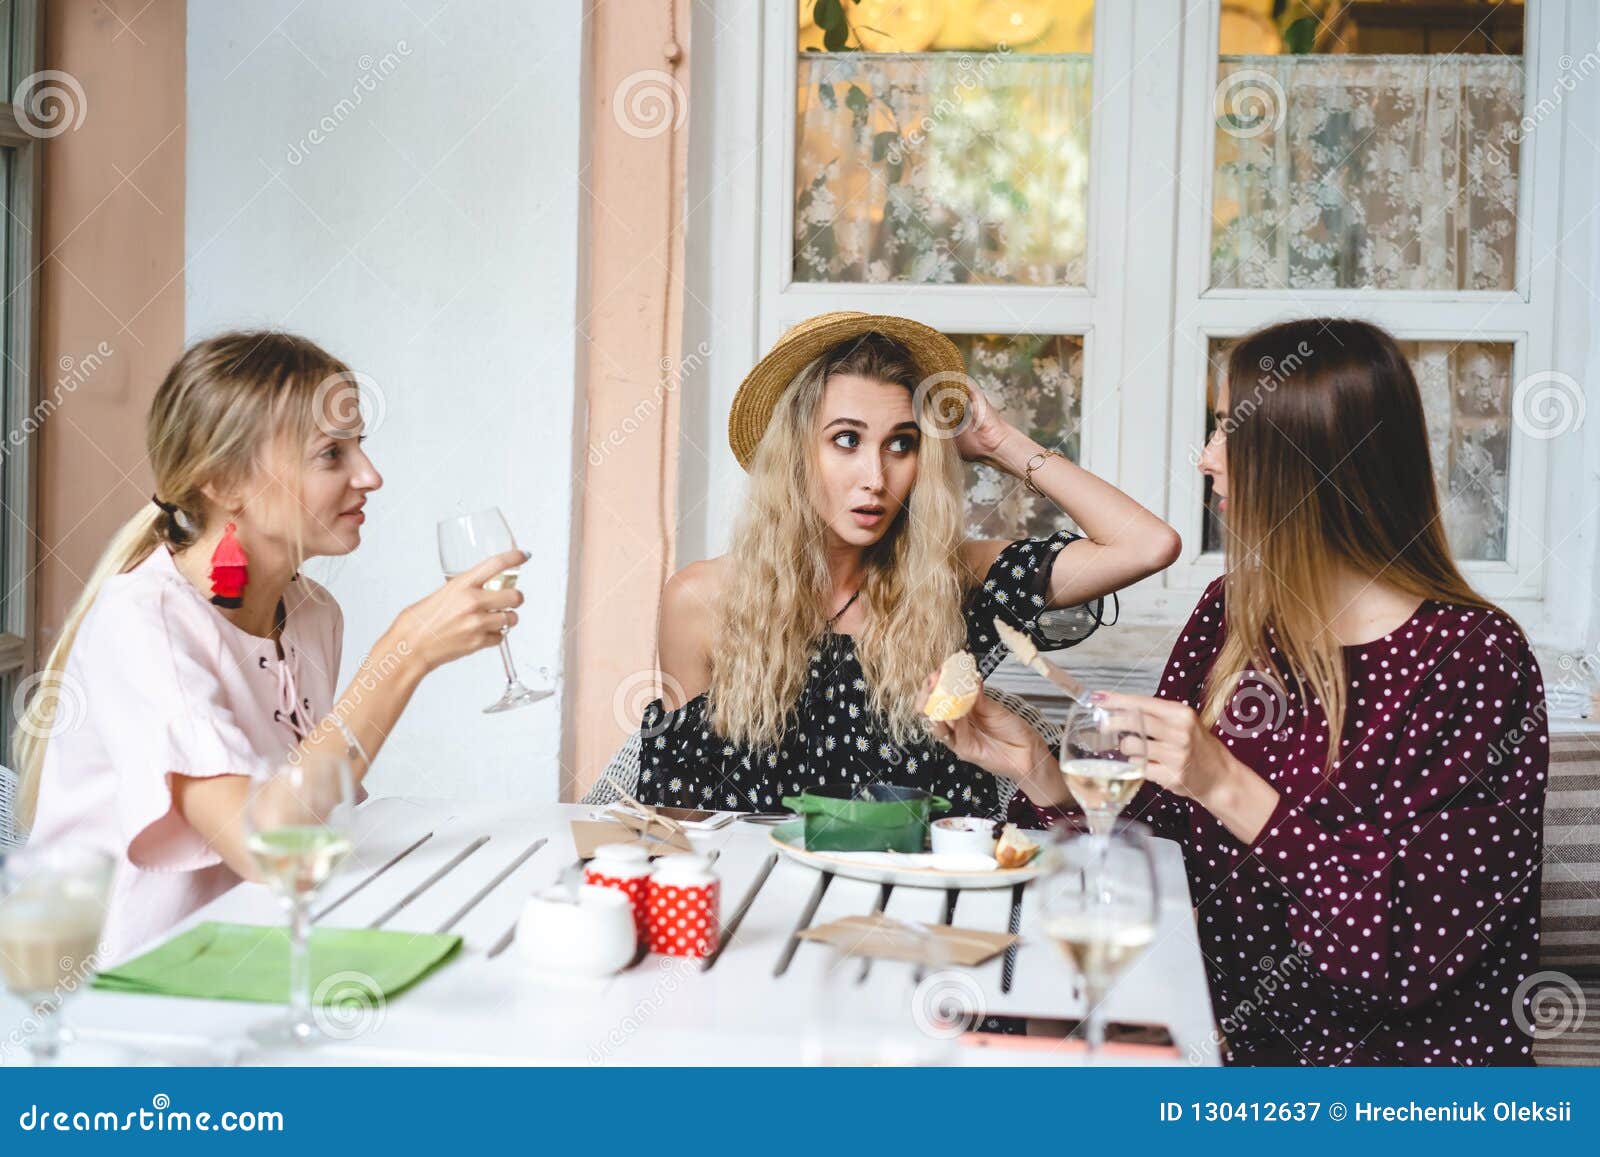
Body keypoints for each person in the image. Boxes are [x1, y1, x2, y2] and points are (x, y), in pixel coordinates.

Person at [927, 318, 1548, 1066]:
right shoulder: (1233, 611)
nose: (1207, 457)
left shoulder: (1473, 658)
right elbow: (1149, 845)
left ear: (1310, 462)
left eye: (1231, 430)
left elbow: (1402, 956)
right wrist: (1041, 771)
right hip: (1227, 1051)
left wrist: (1225, 781)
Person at [18, 331, 527, 961]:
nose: (371, 475)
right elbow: (269, 845)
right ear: (225, 481)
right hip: (134, 992)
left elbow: (314, 818)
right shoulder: (144, 623)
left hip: (261, 948)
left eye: (360, 446)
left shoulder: (314, 614)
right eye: (330, 455)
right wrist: (405, 653)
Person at [635, 312, 1181, 816]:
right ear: (794, 452)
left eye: (901, 444)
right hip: (770, 902)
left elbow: (1146, 545)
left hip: (934, 905)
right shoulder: (700, 600)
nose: (876, 476)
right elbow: (677, 809)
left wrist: (1002, 443)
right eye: (845, 440)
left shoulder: (952, 579)